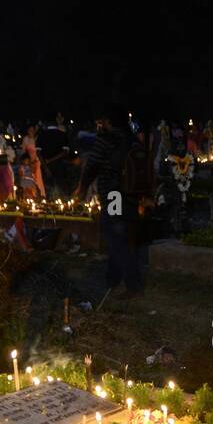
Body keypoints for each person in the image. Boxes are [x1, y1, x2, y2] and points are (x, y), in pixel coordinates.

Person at [76, 105, 144, 296]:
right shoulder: (132, 140)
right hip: (131, 195)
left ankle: (133, 285)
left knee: (115, 237)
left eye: (103, 121)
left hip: (114, 195)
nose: (101, 124)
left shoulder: (106, 140)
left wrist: (82, 187)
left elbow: (92, 166)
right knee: (121, 236)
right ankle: (112, 278)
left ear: (109, 121)